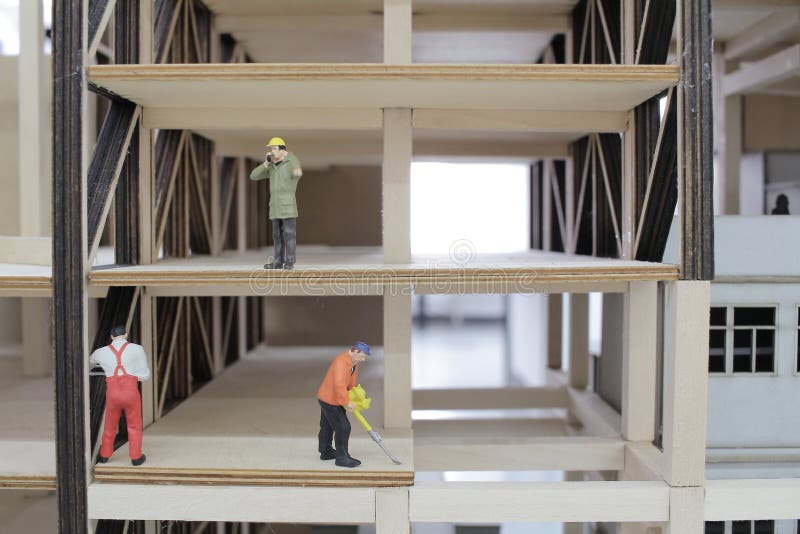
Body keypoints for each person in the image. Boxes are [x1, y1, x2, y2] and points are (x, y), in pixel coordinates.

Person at [90, 325, 151, 466]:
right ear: (125, 335)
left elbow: (90, 363)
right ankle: (136, 457)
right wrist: (132, 374)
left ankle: (104, 455)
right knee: (134, 424)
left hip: (113, 394)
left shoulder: (100, 352)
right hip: (131, 393)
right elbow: (145, 375)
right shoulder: (137, 349)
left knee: (110, 424)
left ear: (111, 337)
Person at [249, 136, 303, 269]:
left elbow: (294, 162)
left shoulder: (290, 162)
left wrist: (294, 166)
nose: (272, 151)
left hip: (288, 208)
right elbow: (253, 176)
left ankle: (290, 262)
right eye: (271, 149)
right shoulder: (272, 168)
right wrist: (266, 164)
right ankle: (278, 261)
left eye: (274, 148)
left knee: (289, 236)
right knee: (277, 237)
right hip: (275, 208)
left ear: (282, 150)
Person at [316, 342, 370, 468]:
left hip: (330, 397)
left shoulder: (353, 362)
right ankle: (341, 457)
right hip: (331, 399)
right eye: (362, 356)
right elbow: (339, 384)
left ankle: (325, 451)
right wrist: (346, 402)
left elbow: (351, 380)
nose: (363, 359)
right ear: (355, 351)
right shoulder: (341, 362)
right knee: (343, 427)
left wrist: (352, 394)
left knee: (328, 425)